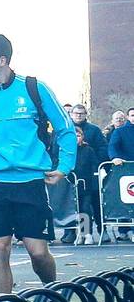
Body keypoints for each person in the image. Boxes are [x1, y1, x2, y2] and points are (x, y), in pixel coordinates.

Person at [0, 34, 76, 296]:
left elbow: (65, 129)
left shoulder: (33, 89)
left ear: (2, 60)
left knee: (38, 253)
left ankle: (52, 294)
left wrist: (65, 166)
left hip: (30, 183)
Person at [62, 104, 107, 244]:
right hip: (69, 178)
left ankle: (93, 231)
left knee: (89, 206)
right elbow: (56, 150)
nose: (79, 115)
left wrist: (97, 169)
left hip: (88, 179)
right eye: (76, 113)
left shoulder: (94, 131)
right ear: (71, 114)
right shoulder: (64, 129)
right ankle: (70, 232)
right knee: (69, 206)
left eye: (81, 113)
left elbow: (102, 148)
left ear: (86, 114)